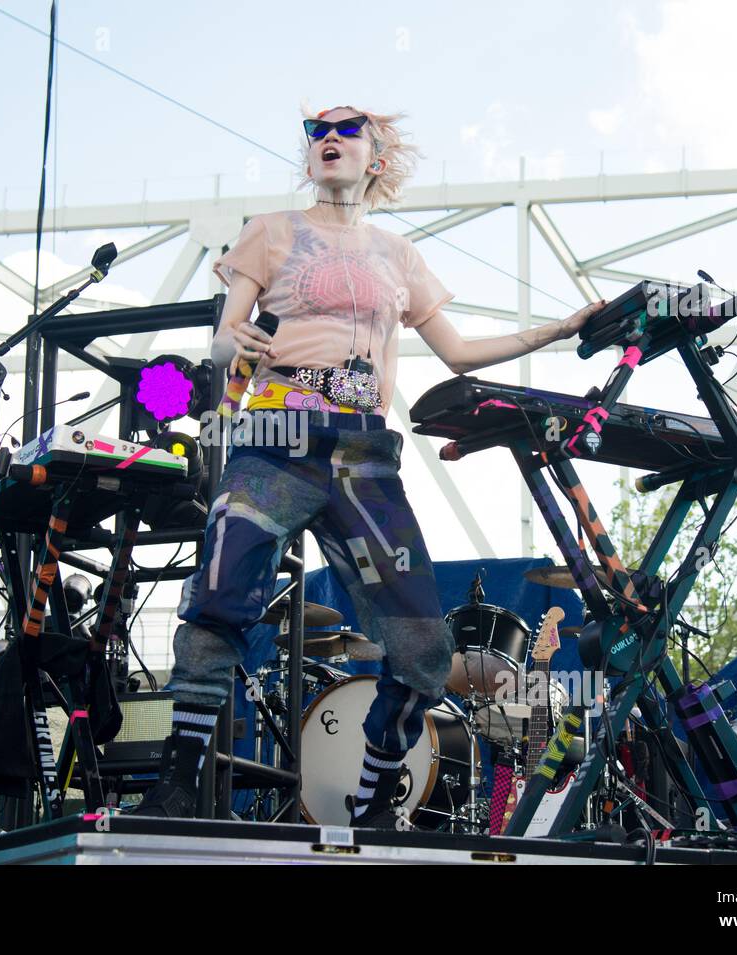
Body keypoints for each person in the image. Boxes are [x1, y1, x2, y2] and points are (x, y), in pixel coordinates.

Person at [133, 105, 604, 825]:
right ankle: (176, 776)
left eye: (347, 130)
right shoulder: (272, 230)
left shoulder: (397, 254)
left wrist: (562, 328)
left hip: (363, 450)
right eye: (316, 130)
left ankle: (376, 782)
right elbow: (225, 338)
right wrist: (237, 345)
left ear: (375, 156)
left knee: (423, 646)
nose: (327, 137)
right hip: (274, 438)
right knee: (220, 597)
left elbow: (459, 352)